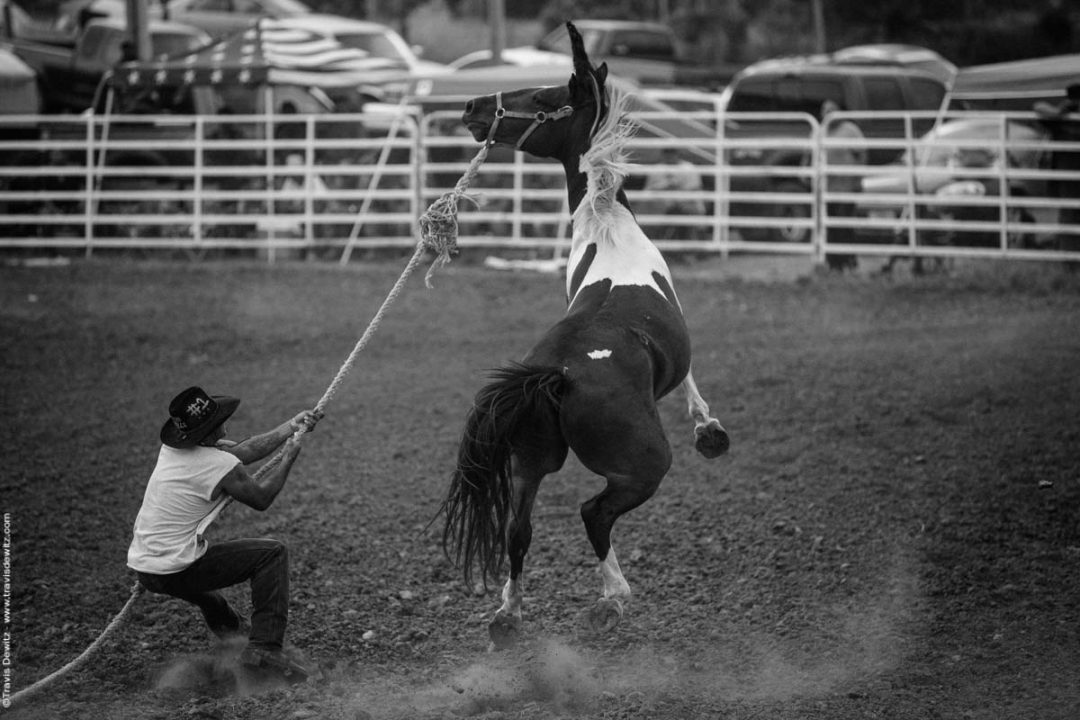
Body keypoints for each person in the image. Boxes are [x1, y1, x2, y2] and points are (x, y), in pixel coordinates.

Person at [127, 386, 322, 682]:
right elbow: (261, 499)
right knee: (272, 553)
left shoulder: (175, 450)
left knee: (212, 601)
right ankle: (264, 649)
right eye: (218, 419)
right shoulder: (216, 465)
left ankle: (237, 646)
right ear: (208, 431)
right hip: (175, 566)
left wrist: (291, 427)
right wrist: (288, 458)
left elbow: (243, 451)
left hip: (146, 567)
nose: (224, 420)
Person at [820, 99, 866, 272]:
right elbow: (809, 156)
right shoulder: (820, 132)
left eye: (832, 110)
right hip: (827, 187)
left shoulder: (850, 130)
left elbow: (861, 154)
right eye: (825, 110)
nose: (828, 113)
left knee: (844, 223)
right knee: (830, 225)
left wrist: (858, 179)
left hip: (846, 185)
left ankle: (848, 260)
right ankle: (834, 262)